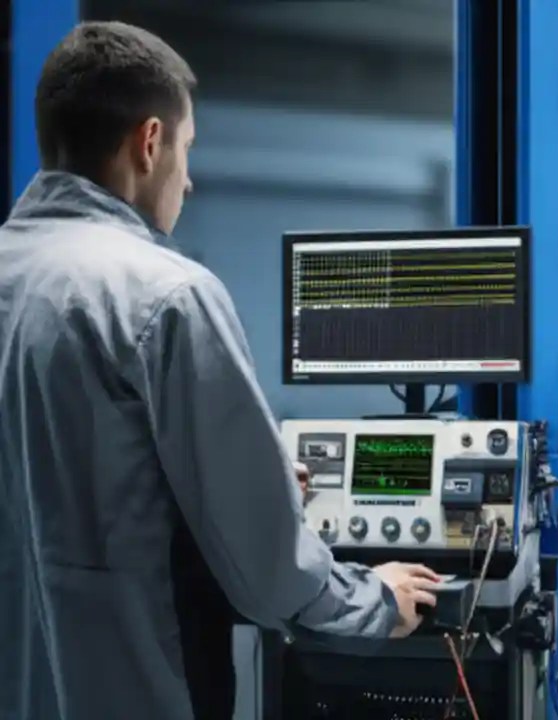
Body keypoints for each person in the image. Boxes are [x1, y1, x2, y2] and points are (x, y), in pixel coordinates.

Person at [0, 21, 440, 720]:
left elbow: (64, 484)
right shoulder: (166, 293)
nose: (189, 176)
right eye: (187, 148)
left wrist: (237, 480)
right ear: (150, 143)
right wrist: (375, 601)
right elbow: (266, 570)